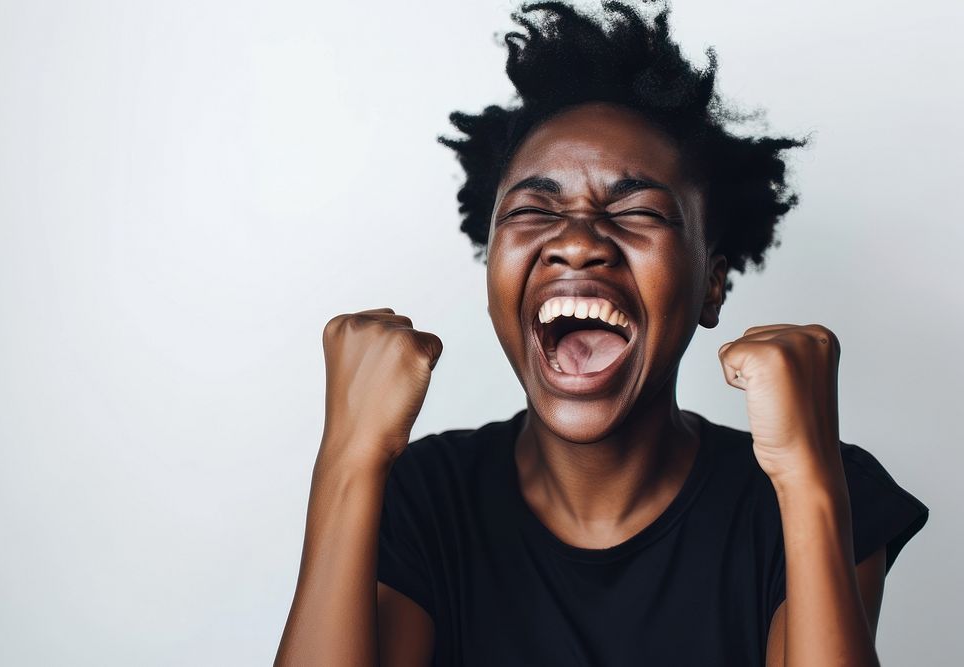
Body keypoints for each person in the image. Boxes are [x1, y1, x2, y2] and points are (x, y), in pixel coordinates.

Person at [274, 2, 930, 665]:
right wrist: (349, 457)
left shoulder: (811, 489)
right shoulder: (421, 497)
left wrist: (806, 475)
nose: (579, 241)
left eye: (638, 210)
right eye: (532, 209)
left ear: (711, 284)